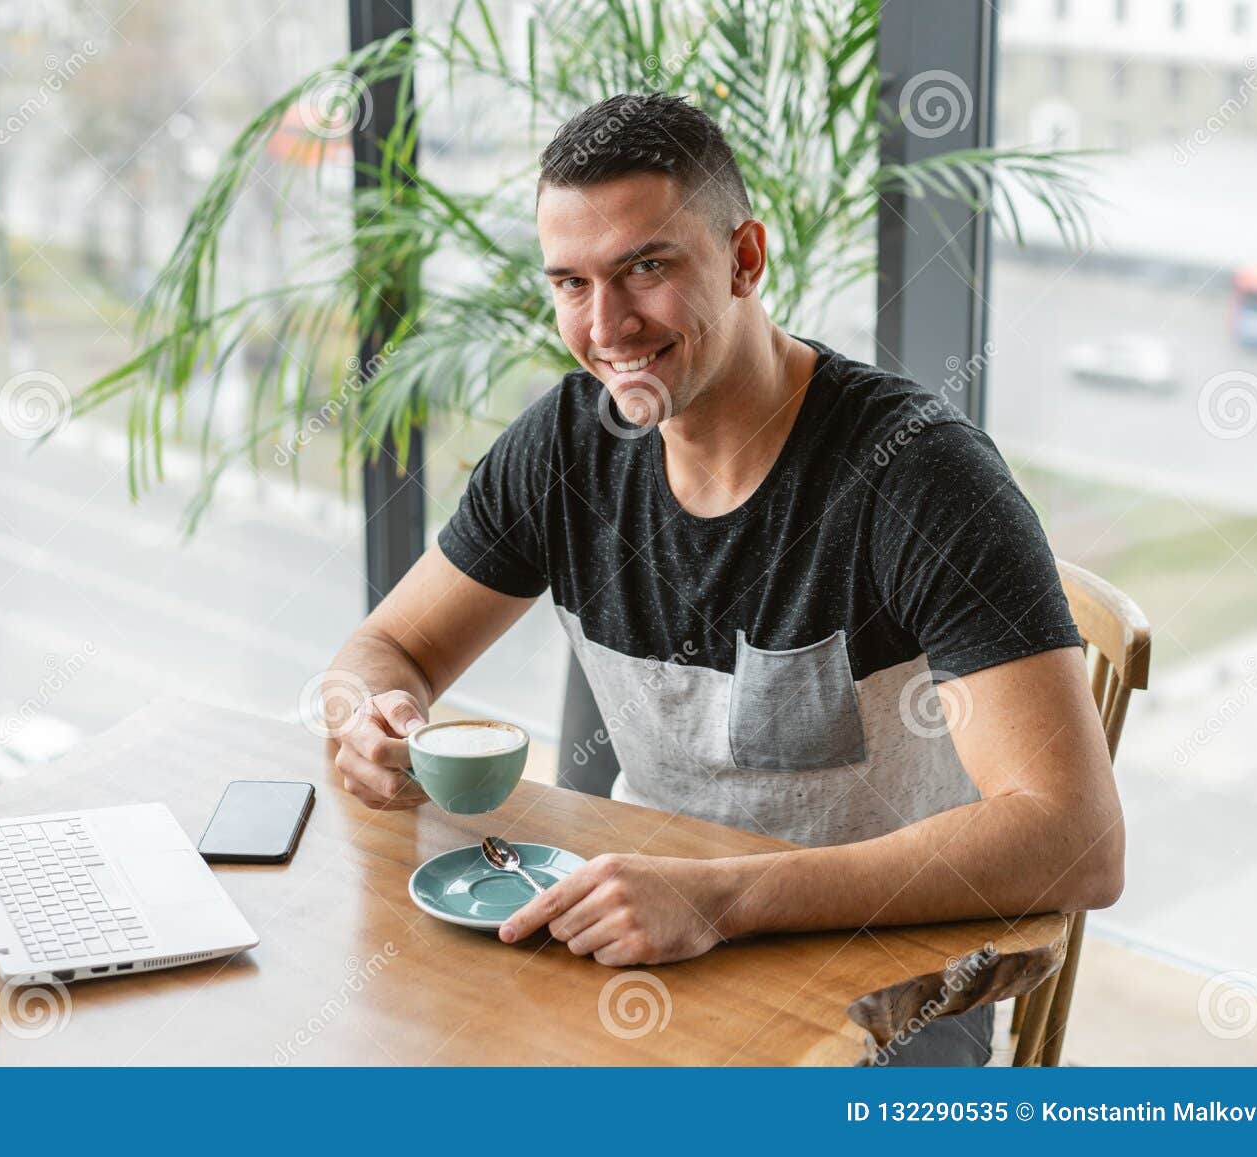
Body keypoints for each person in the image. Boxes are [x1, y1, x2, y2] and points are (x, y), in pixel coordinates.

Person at [323, 93, 1124, 1065]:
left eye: (644, 268)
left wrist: (721, 897)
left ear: (745, 257)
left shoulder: (917, 472)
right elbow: (390, 645)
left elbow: (1075, 836)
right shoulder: (567, 446)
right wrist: (375, 711)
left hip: (887, 978)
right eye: (570, 283)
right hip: (648, 944)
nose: (605, 324)